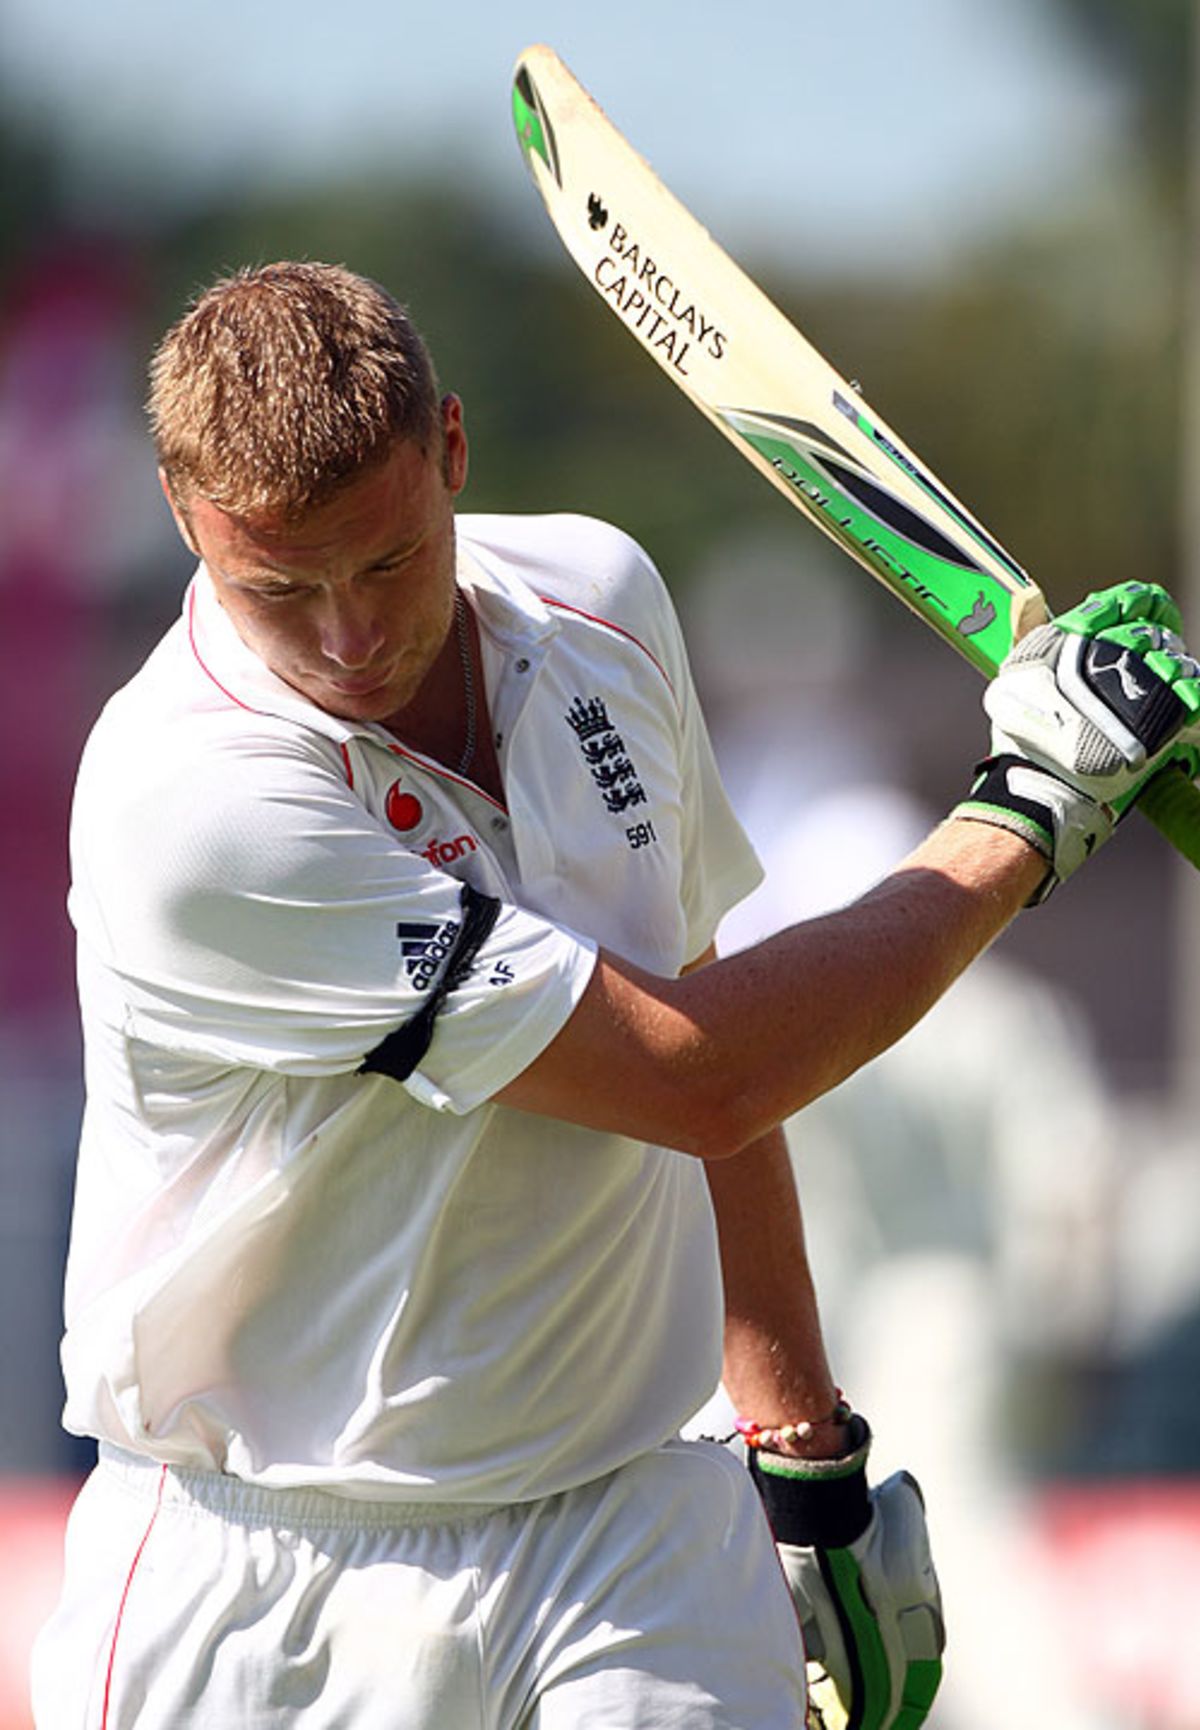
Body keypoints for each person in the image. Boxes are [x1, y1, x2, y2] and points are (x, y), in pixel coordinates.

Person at [32, 261, 1200, 1730]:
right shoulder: (194, 808)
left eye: (387, 560)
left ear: (452, 447)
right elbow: (696, 1071)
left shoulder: (603, 596)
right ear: (182, 516)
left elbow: (706, 998)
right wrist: (1027, 808)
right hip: (279, 1575)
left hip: (632, 1525)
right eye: (279, 587)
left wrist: (802, 1448)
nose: (347, 639)